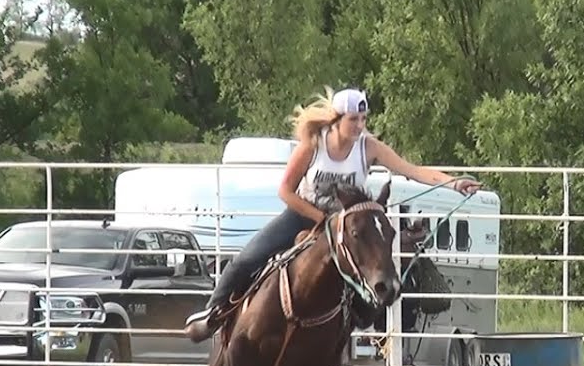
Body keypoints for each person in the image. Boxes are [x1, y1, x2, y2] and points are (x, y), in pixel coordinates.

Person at [183, 87, 481, 343]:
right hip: (303, 215)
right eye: (353, 120)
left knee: (373, 272)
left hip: (347, 228)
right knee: (247, 259)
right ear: (336, 120)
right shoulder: (314, 145)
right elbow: (286, 191)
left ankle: (356, 329)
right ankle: (212, 314)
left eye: (363, 120)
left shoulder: (369, 148)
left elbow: (413, 171)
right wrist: (319, 218)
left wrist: (453, 183)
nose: (359, 126)